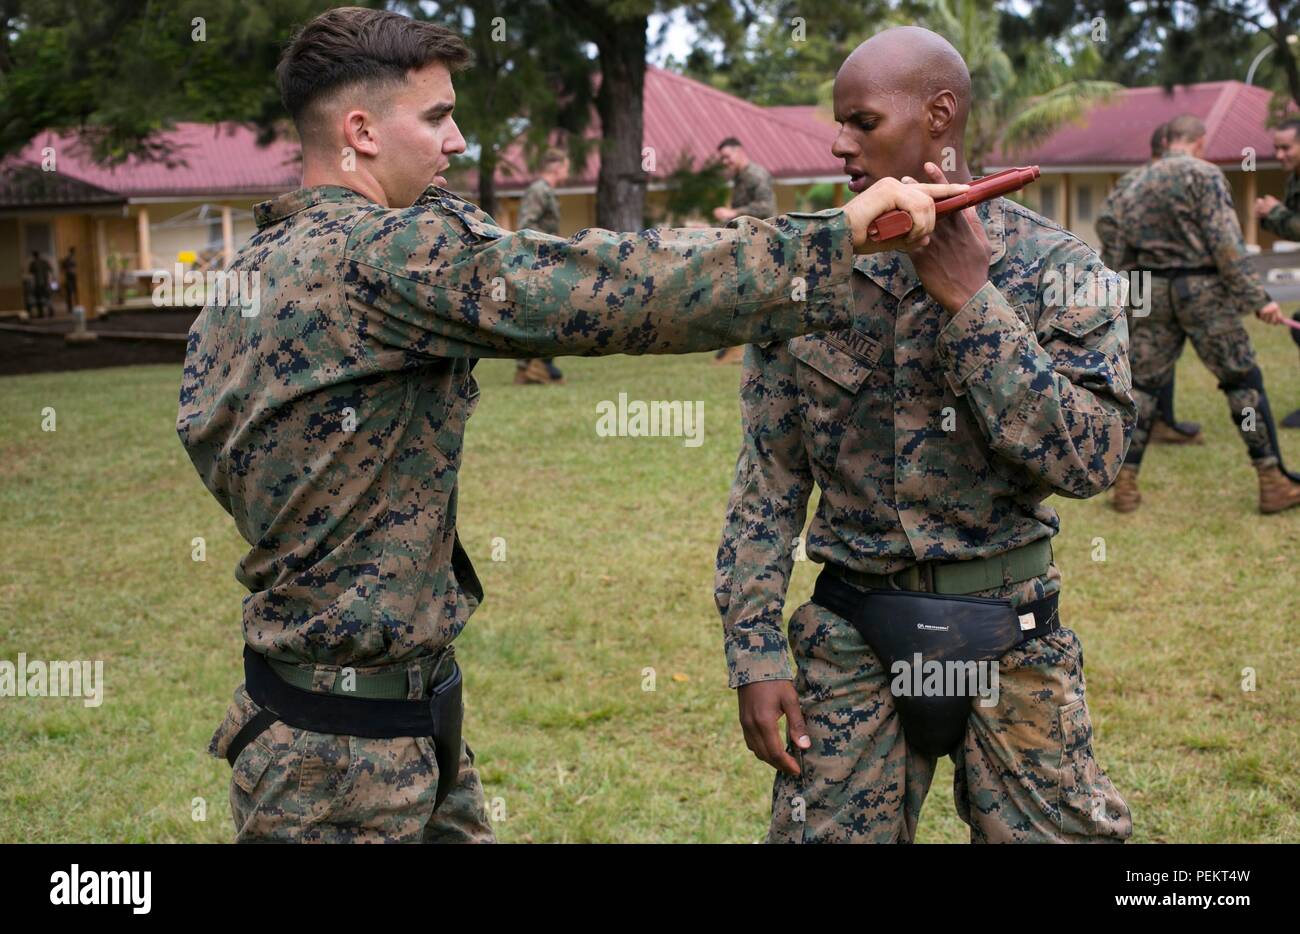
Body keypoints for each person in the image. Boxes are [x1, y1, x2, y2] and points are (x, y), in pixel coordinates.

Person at [176, 6, 963, 844]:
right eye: (438, 117)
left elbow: (206, 430)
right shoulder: (380, 257)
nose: (458, 141)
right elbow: (614, 288)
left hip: (366, 715)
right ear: (361, 130)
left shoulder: (258, 266)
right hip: (341, 763)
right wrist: (837, 236)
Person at [715, 26, 1134, 844]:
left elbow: (1092, 459)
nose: (838, 144)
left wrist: (974, 306)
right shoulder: (809, 272)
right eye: (839, 123)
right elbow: (767, 481)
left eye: (862, 122)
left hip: (1010, 633)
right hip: (851, 634)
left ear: (939, 115)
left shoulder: (1057, 269)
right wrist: (754, 651)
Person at [1109, 114, 1300, 514]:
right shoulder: (1205, 175)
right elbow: (1225, 243)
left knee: (1143, 385)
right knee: (1241, 379)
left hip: (1153, 292)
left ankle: (1124, 482)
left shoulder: (1132, 182)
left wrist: (1128, 286)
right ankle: (1271, 479)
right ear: (1198, 141)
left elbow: (1114, 238)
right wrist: (1257, 298)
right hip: (1203, 291)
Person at [1098, 122, 1202, 445]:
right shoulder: (1140, 180)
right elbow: (1107, 224)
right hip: (1139, 280)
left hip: (1149, 279)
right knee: (1144, 350)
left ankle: (1160, 420)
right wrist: (1127, 264)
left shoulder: (1148, 180)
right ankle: (1140, 422)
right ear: (1167, 145)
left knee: (1156, 349)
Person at [712, 139, 777, 364]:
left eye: (727, 156)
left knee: (751, 296)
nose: (725, 162)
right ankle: (734, 346)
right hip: (746, 245)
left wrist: (732, 212)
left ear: (740, 152)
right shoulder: (740, 178)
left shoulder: (755, 175)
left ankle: (746, 347)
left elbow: (766, 208)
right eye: (722, 159)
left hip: (760, 246)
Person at [1254, 117, 1300, 429]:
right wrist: (1269, 217)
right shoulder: (1294, 179)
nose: (1280, 154)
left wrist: (1276, 213)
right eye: (1276, 148)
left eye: (1287, 148)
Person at [514, 147, 569, 385]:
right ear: (558, 167)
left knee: (539, 312)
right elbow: (527, 224)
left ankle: (531, 367)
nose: (568, 172)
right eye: (567, 166)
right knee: (547, 312)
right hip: (539, 260)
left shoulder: (546, 191)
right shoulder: (539, 191)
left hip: (546, 258)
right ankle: (540, 366)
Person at [27, 251, 53, 319]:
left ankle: (41, 313)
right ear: (39, 255)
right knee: (47, 298)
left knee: (39, 299)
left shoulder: (33, 263)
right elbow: (50, 270)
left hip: (38, 284)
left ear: (34, 256)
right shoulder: (44, 262)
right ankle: (51, 311)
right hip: (45, 283)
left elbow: (30, 273)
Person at [60, 247, 78, 315]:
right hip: (70, 278)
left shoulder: (70, 259)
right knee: (70, 293)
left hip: (73, 278)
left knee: (73, 293)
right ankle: (70, 308)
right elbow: (63, 268)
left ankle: (75, 307)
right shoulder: (67, 259)